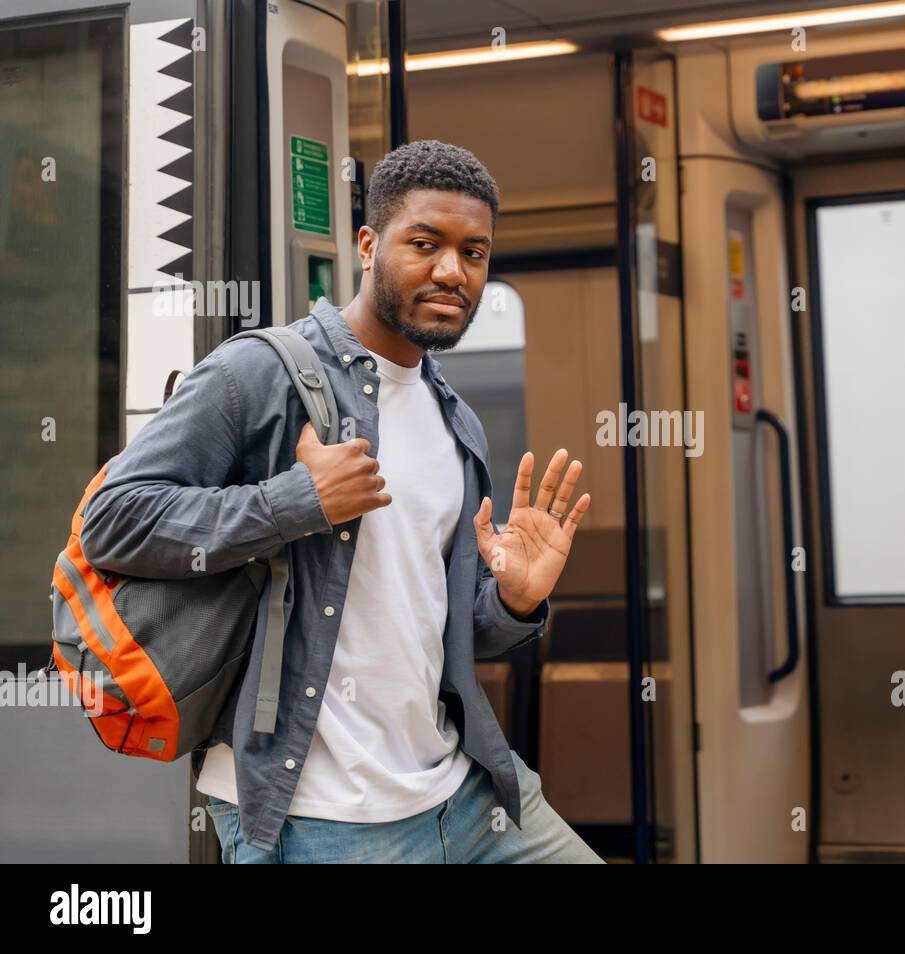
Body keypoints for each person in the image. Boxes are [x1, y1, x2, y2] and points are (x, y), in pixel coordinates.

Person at [80, 139, 604, 863]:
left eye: (475, 253)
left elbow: (433, 634)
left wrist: (512, 603)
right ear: (367, 243)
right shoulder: (257, 372)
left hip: (468, 792)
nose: (452, 271)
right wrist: (295, 501)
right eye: (425, 243)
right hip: (322, 820)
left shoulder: (456, 418)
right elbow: (113, 521)